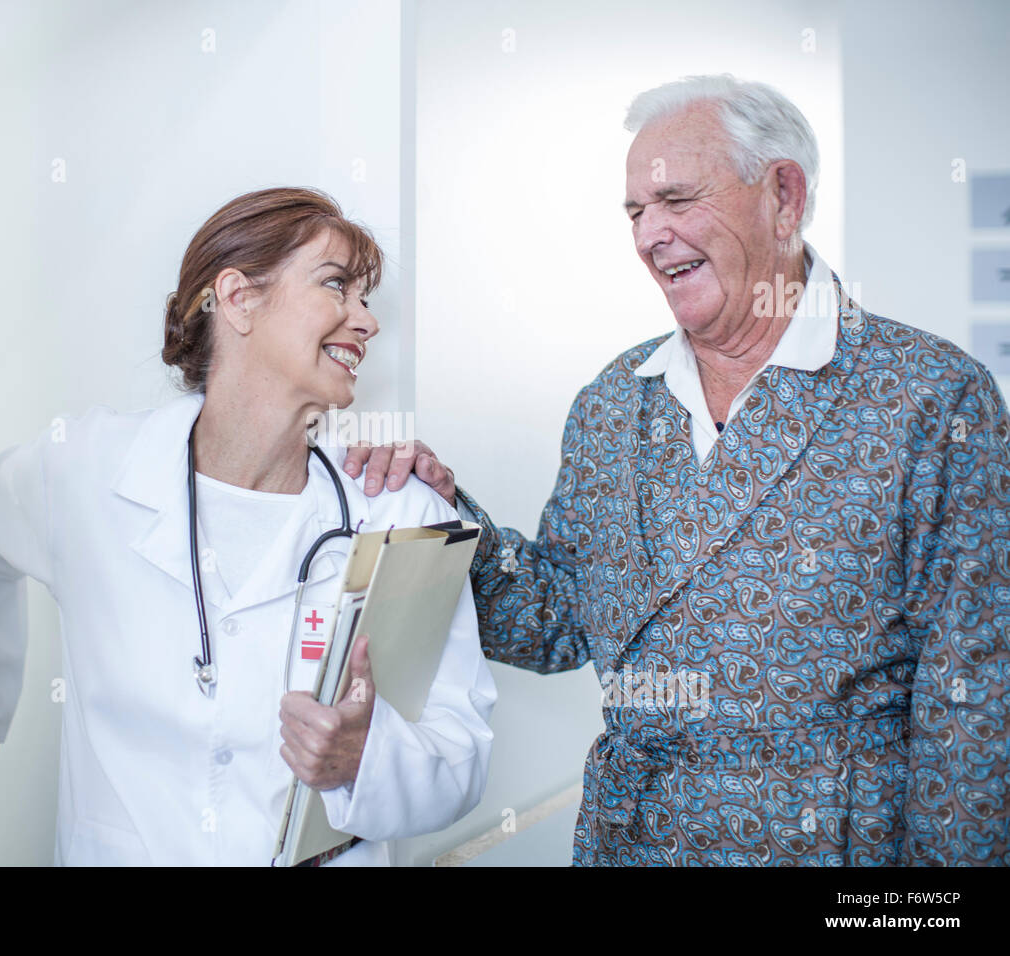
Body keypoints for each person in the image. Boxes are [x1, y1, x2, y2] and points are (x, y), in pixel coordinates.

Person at [347, 75, 1010, 865]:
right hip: (634, 841)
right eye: (635, 212)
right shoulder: (614, 401)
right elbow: (558, 621)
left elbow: (976, 702)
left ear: (784, 196)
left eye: (677, 200)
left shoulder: (931, 396)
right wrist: (450, 518)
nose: (649, 236)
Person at [0, 187, 496, 866]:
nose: (367, 322)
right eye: (336, 285)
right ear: (238, 298)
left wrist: (363, 758)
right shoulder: (85, 472)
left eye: (365, 298)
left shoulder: (401, 512)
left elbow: (460, 752)